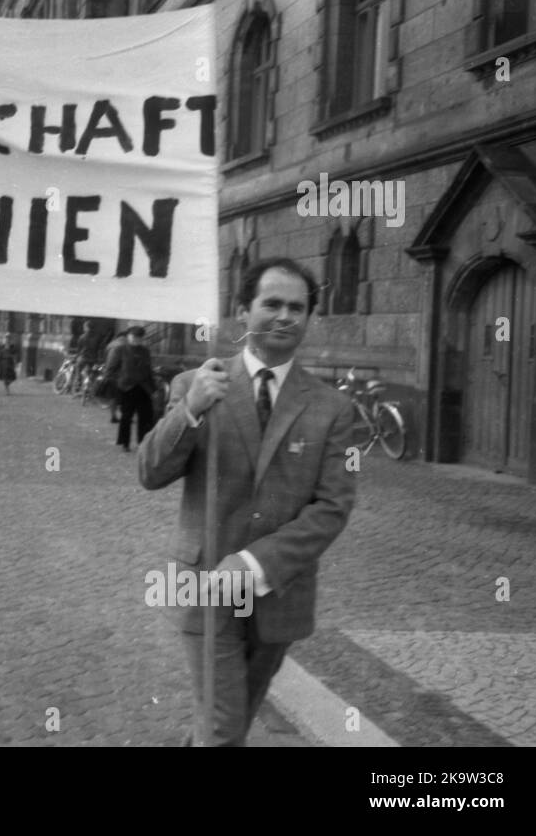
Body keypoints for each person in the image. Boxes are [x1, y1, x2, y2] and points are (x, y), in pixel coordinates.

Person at [137, 257, 357, 747]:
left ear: (308, 318)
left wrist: (254, 564)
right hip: (206, 589)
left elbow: (332, 507)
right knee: (222, 729)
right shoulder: (199, 384)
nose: (284, 316)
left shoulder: (332, 409)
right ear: (243, 312)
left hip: (279, 596)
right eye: (271, 303)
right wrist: (190, 410)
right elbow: (150, 472)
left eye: (296, 307)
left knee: (228, 727)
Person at [112, 326, 156, 451]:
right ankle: (125, 443)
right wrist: (119, 381)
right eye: (134, 337)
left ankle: (143, 443)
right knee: (126, 417)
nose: (136, 339)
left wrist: (153, 388)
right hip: (126, 388)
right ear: (128, 337)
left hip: (143, 388)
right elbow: (112, 369)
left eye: (139, 337)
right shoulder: (120, 350)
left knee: (145, 417)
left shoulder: (145, 351)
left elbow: (149, 370)